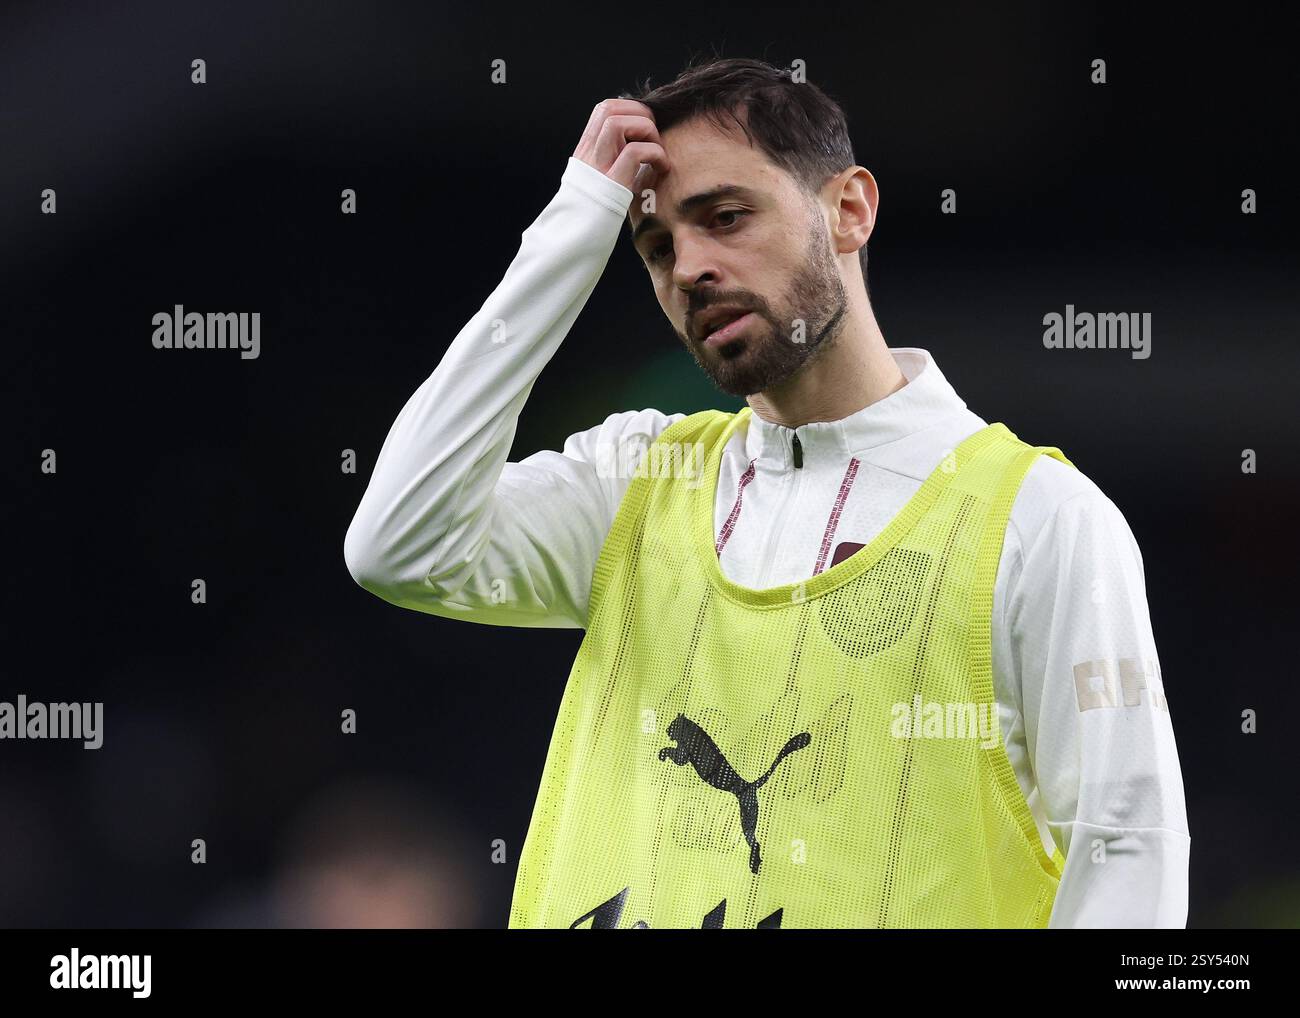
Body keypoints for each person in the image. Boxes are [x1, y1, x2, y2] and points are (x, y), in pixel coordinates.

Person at [344, 56, 1189, 928]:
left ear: (849, 210)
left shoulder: (1042, 520)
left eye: (727, 217)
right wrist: (572, 229)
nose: (690, 268)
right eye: (656, 247)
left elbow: (1128, 851)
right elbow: (399, 545)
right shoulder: (635, 477)